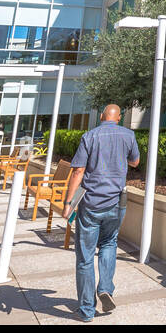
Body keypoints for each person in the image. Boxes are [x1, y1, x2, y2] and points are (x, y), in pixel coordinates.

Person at [64, 104, 140, 321]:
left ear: (101, 117)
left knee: (85, 258)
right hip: (116, 203)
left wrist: (69, 203)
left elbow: (78, 170)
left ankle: (87, 310)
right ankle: (105, 287)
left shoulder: (90, 136)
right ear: (119, 118)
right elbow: (135, 161)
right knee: (109, 243)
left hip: (91, 204)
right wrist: (119, 157)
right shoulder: (128, 135)